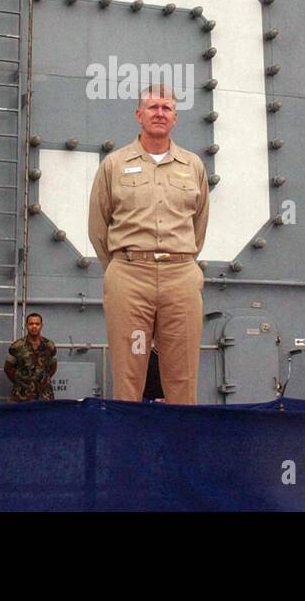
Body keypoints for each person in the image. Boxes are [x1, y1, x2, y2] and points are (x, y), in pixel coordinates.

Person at [88, 83, 210, 404]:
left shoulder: (193, 166)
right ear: (139, 115)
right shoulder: (113, 165)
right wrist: (123, 264)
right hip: (129, 276)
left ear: (175, 118)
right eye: (153, 108)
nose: (160, 113)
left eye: (166, 108)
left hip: (180, 275)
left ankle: (181, 448)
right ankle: (127, 450)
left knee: (182, 374)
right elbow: (98, 227)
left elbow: (199, 224)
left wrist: (178, 260)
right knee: (129, 372)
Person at [4, 312, 57, 402]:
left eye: (37, 324)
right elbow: (8, 369)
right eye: (31, 324)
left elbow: (53, 367)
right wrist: (21, 382)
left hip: (44, 395)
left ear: (41, 325)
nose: (34, 326)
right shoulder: (17, 346)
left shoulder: (49, 346)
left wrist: (41, 380)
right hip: (21, 395)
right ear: (26, 326)